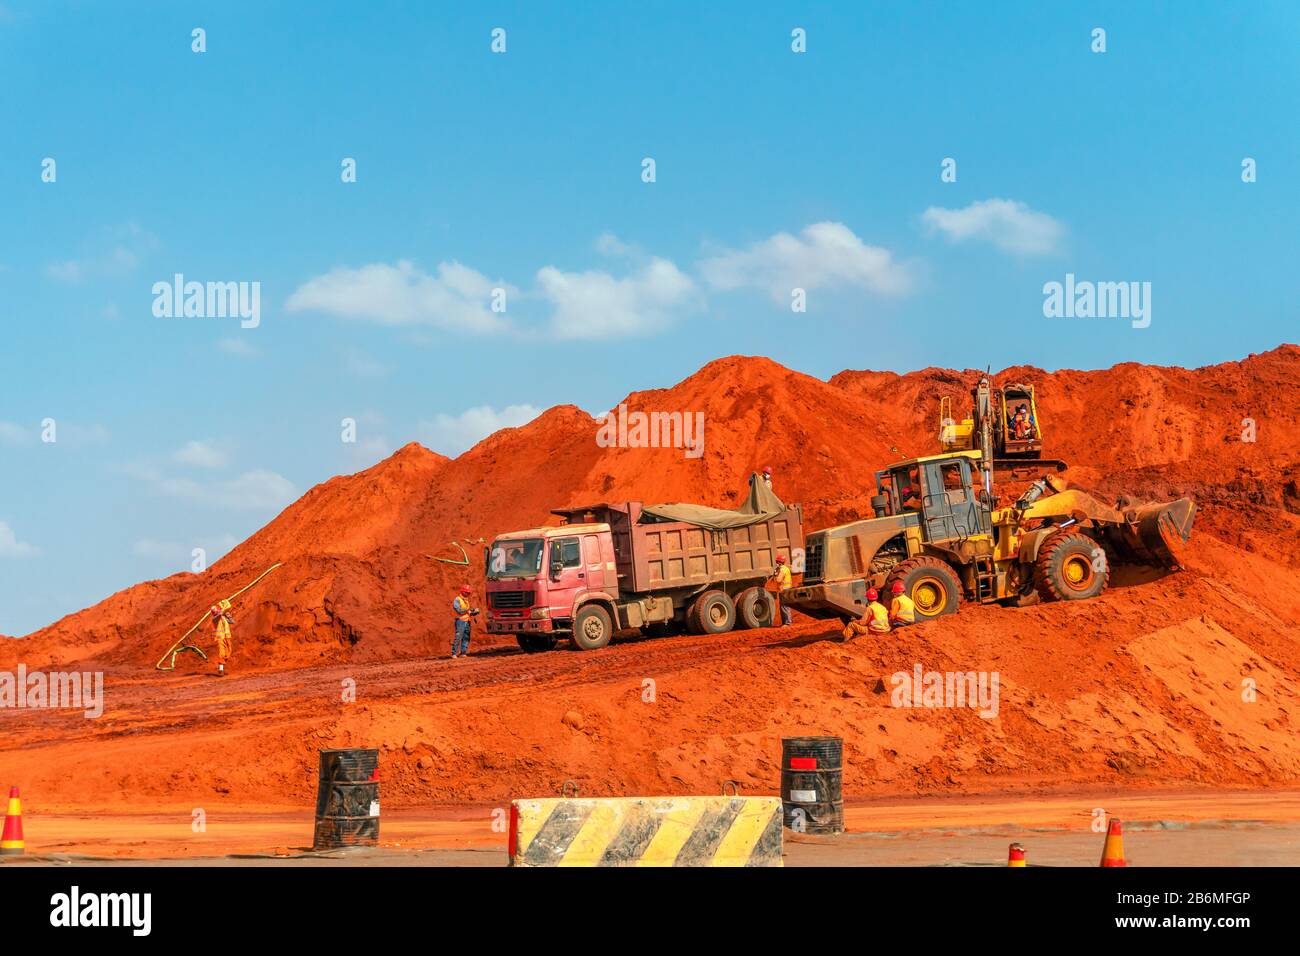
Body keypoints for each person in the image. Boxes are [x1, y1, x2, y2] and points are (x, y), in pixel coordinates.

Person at [209, 599, 234, 677]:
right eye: (215, 611)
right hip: (220, 637)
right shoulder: (215, 619)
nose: (216, 611)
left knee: (228, 652)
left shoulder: (222, 616)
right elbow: (220, 613)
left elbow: (232, 621)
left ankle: (222, 665)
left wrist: (228, 615)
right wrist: (224, 609)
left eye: (216, 610)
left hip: (227, 636)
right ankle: (221, 669)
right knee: (222, 653)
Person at [451, 585, 474, 658]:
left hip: (467, 620)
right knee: (458, 636)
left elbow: (466, 610)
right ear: (463, 592)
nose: (468, 594)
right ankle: (454, 653)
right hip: (460, 621)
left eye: (469, 593)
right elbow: (459, 611)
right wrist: (468, 611)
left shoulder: (466, 600)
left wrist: (472, 612)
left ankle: (463, 653)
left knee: (466, 637)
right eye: (467, 592)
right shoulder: (457, 599)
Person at [771, 554, 793, 625]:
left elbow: (778, 580)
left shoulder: (782, 570)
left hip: (784, 590)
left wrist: (775, 574)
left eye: (777, 561)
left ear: (779, 562)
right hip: (786, 589)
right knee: (783, 607)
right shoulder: (786, 568)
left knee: (784, 606)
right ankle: (785, 623)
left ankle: (787, 623)